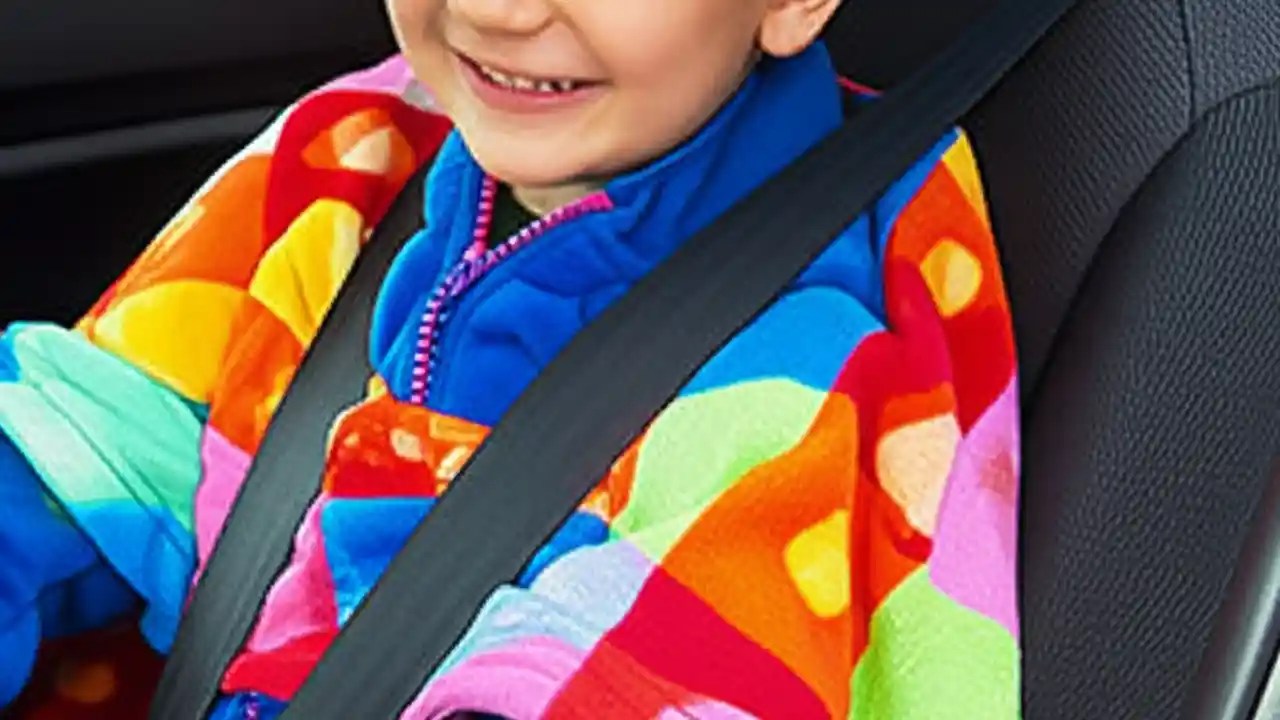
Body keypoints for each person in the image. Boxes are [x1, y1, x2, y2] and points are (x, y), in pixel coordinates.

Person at [0, 0, 1022, 716]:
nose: (493, 8)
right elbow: (88, 436)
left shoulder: (818, 362)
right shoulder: (350, 163)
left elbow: (634, 680)